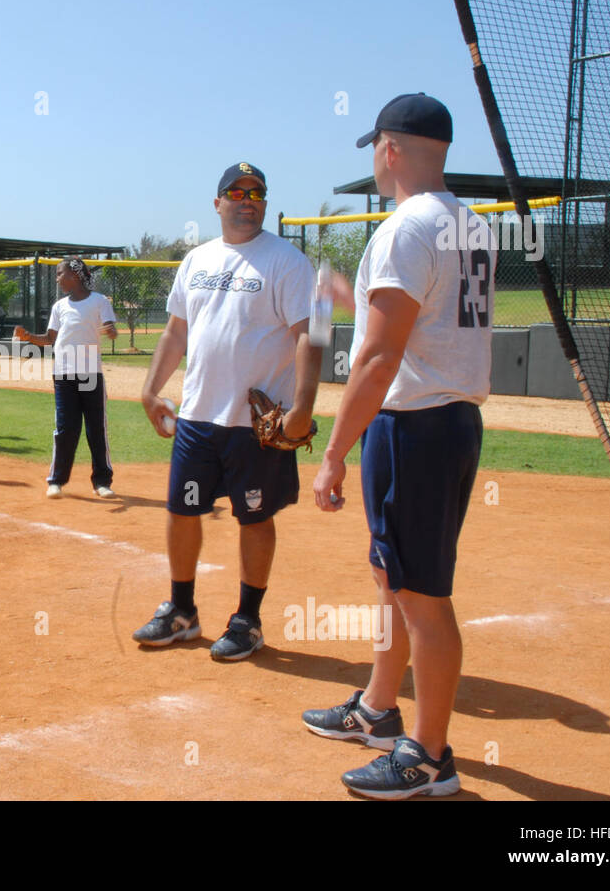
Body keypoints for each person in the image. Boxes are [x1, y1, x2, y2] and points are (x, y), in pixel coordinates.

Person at [304, 94, 491, 800]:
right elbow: (426, 320)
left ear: (390, 149)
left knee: (423, 595)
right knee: (394, 577)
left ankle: (428, 758)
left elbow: (378, 362)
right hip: (443, 421)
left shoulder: (405, 227)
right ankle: (379, 712)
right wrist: (355, 297)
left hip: (416, 426)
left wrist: (332, 454)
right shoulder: (466, 223)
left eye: (376, 151)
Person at [136, 161, 322, 662]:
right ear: (217, 203)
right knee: (182, 509)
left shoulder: (286, 261)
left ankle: (247, 620)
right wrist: (152, 390)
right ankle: (181, 611)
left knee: (253, 517)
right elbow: (177, 331)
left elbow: (311, 334)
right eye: (236, 191)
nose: (247, 199)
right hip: (198, 417)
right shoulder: (196, 260)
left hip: (254, 427)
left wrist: (303, 406)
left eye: (256, 192)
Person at [15, 258, 118, 498]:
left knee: (96, 428)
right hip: (63, 373)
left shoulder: (99, 301)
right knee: (66, 428)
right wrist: (28, 336)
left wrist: (111, 331)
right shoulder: (59, 306)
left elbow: (110, 327)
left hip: (90, 373)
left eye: (60, 274)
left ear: (74, 274)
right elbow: (50, 339)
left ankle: (102, 482)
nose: (57, 278)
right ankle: (56, 481)